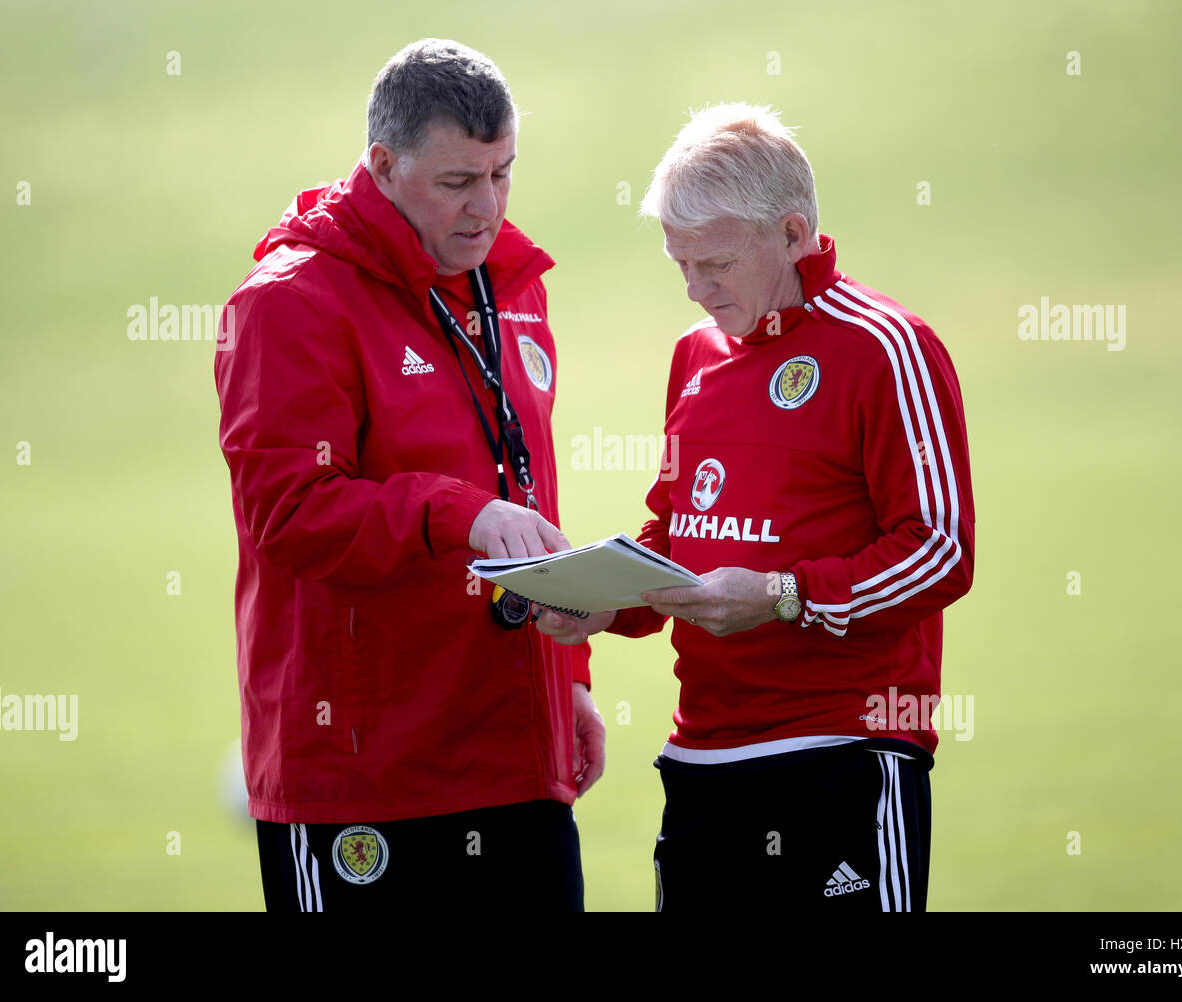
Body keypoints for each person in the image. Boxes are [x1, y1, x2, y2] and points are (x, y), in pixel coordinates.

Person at [536, 103, 975, 912]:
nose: (697, 290)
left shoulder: (887, 346)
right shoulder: (694, 357)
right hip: (701, 765)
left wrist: (784, 596)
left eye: (718, 263)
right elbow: (677, 533)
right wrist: (600, 600)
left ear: (792, 231)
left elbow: (940, 550)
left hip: (840, 753)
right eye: (681, 265)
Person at [213, 38, 603, 913]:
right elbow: (292, 512)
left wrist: (566, 682)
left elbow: (525, 499)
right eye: (458, 183)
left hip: (514, 761)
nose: (488, 208)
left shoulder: (510, 284)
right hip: (361, 780)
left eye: (503, 174)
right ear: (383, 167)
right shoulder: (288, 303)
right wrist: (454, 512)